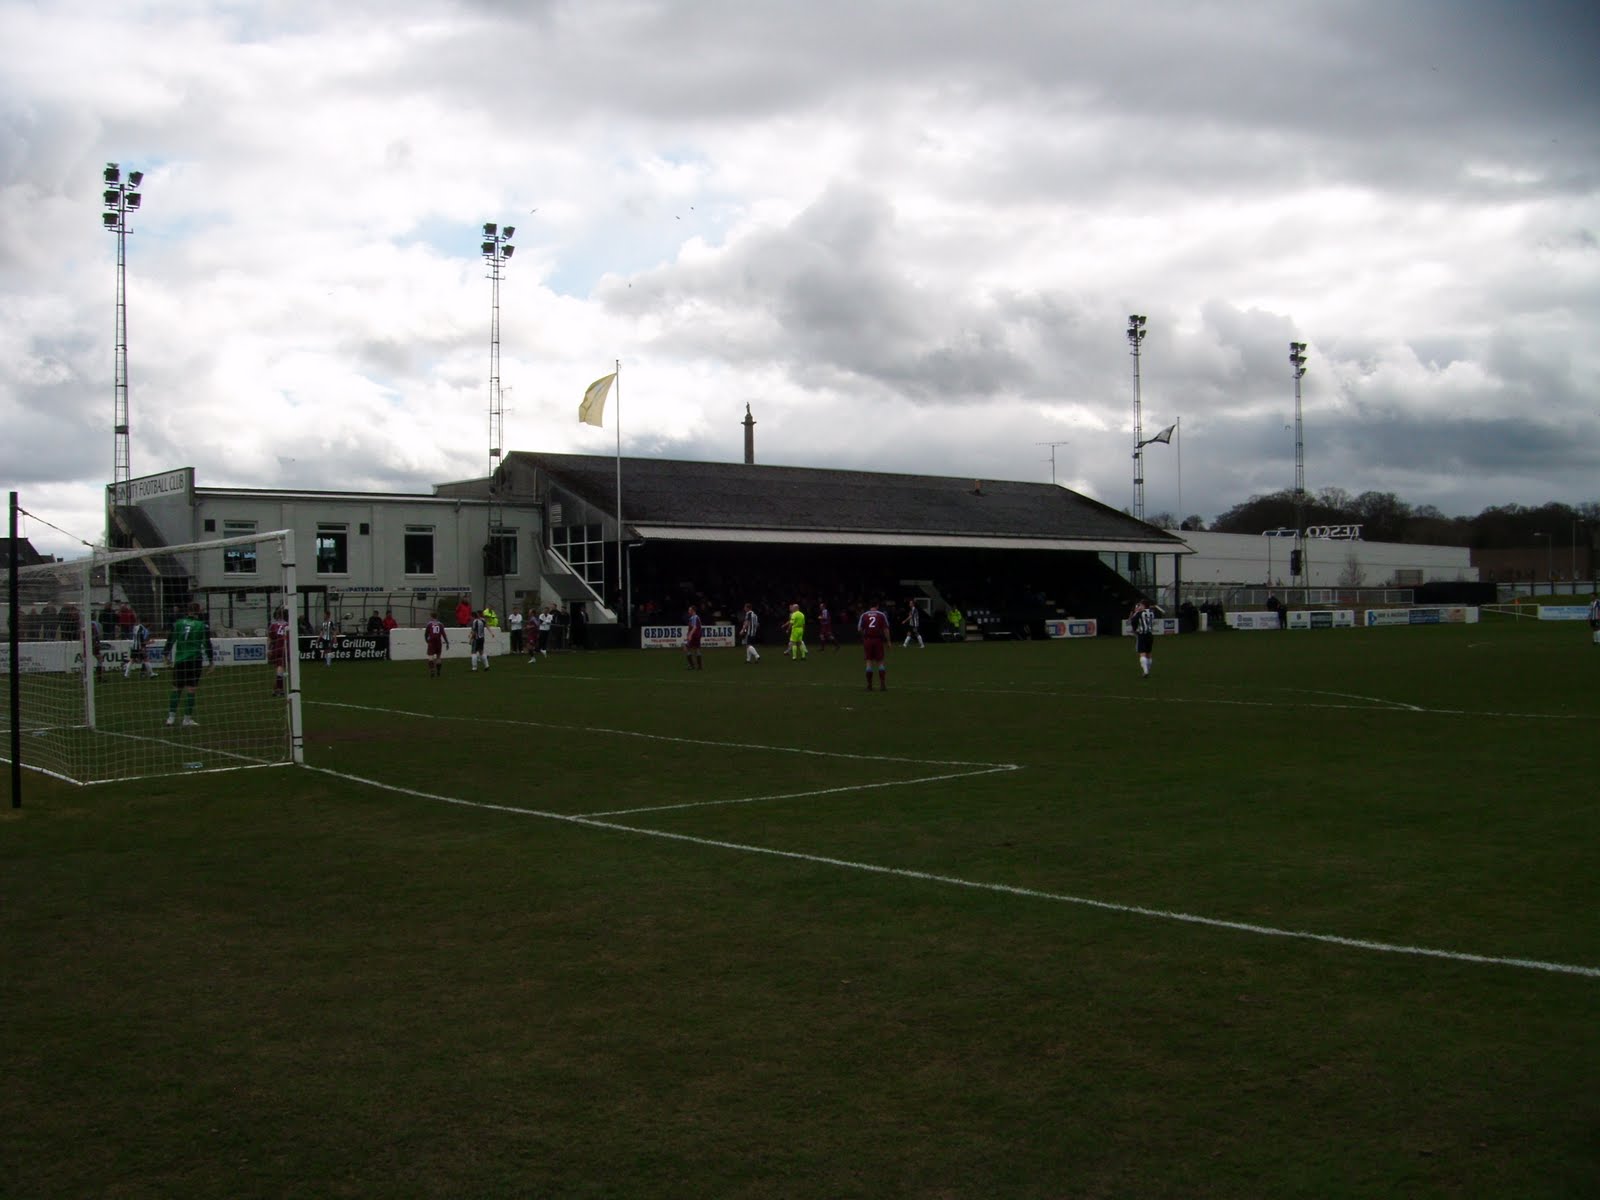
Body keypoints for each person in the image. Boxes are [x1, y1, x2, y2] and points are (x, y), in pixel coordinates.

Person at [165, 601, 214, 727]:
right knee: (191, 690)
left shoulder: (178, 623)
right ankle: (186, 719)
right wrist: (211, 661)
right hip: (194, 660)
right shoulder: (202, 625)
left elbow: (171, 639)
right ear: (198, 611)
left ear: (187, 611)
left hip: (180, 660)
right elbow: (207, 643)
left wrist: (166, 654)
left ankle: (170, 718)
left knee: (176, 689)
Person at [858, 600, 890, 691]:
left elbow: (859, 628)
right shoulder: (881, 615)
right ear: (877, 606)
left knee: (869, 662)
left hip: (868, 640)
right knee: (880, 662)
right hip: (878, 640)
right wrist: (888, 641)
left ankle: (869, 685)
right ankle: (882, 684)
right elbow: (886, 629)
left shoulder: (864, 615)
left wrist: (864, 635)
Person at [1130, 598, 1159, 678]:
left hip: (1142, 634)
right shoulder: (1152, 613)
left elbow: (1133, 621)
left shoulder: (1140, 613)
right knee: (1149, 653)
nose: (1139, 606)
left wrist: (1136, 612)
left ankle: (1145, 671)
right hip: (1150, 634)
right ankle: (1147, 670)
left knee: (1142, 653)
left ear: (1144, 605)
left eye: (1141, 605)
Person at [266, 606, 291, 696]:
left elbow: (270, 638)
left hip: (276, 648)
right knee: (281, 668)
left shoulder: (273, 625)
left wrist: (269, 649)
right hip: (285, 647)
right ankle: (280, 689)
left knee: (279, 668)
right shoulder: (288, 625)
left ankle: (276, 689)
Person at [125, 613, 155, 679]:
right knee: (146, 659)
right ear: (145, 622)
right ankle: (151, 674)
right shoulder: (142, 629)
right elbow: (141, 640)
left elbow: (135, 637)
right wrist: (149, 643)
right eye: (147, 622)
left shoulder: (135, 627)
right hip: (140, 647)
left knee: (132, 660)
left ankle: (126, 674)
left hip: (134, 646)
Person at [683, 605, 704, 670]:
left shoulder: (694, 617)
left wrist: (690, 635)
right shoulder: (695, 617)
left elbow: (694, 627)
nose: (688, 611)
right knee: (697, 649)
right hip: (697, 635)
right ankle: (699, 666)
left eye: (689, 610)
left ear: (693, 611)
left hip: (694, 636)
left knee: (686, 647)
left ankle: (692, 665)